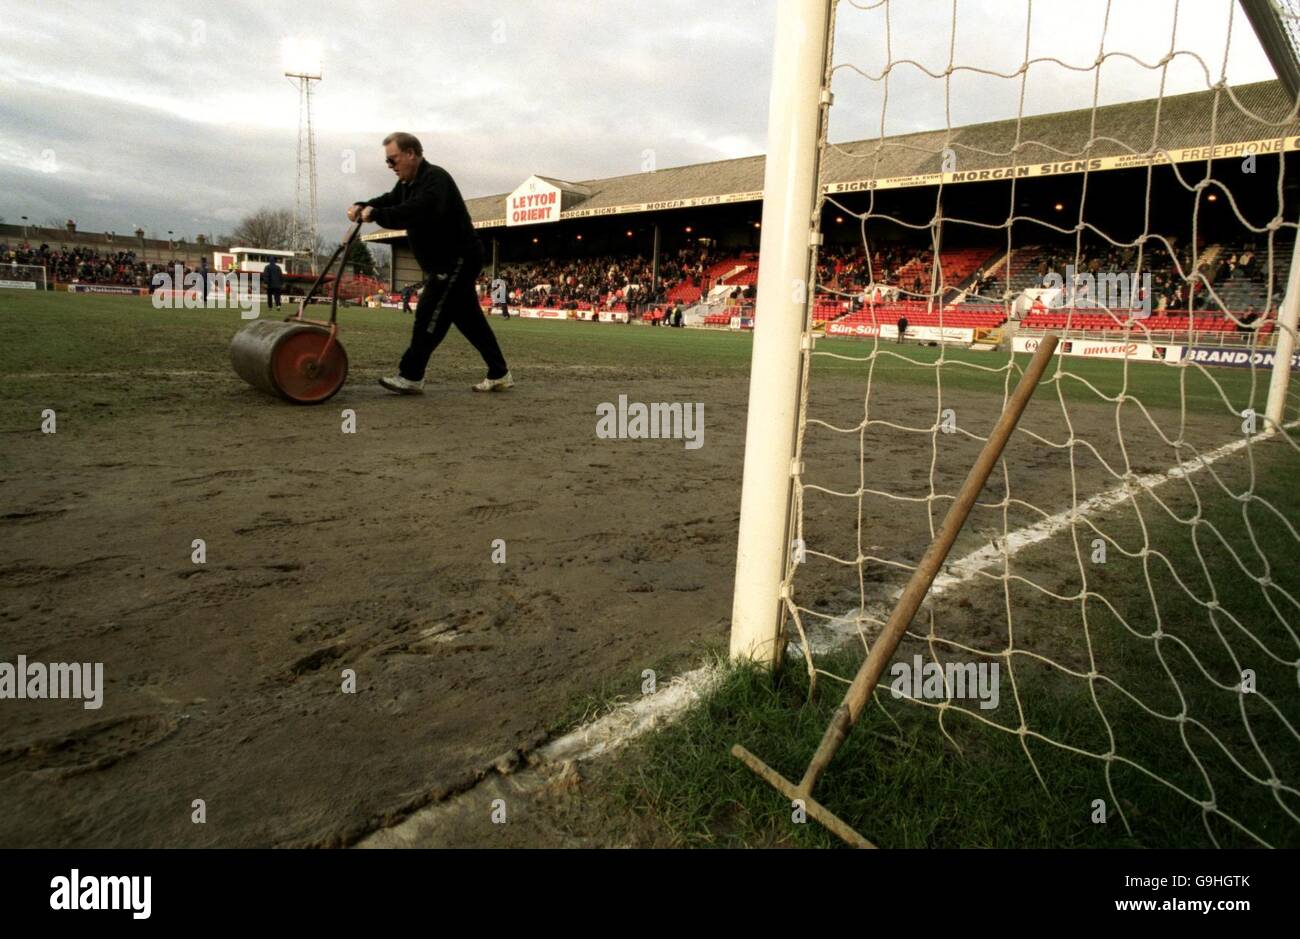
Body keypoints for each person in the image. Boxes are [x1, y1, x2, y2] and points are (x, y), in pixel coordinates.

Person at [349, 132, 512, 394]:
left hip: (456, 260)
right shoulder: (407, 185)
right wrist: (364, 205)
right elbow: (390, 200)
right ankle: (500, 372)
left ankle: (412, 375)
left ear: (411, 153)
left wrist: (376, 215)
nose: (391, 167)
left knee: (429, 314)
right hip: (444, 263)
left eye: (393, 160)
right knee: (469, 320)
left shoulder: (435, 180)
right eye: (388, 163)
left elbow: (414, 211)